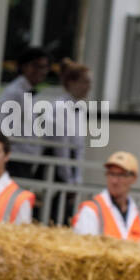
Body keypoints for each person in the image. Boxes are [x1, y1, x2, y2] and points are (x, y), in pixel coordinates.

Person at [45, 58, 93, 224]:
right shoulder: (60, 107)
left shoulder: (77, 107)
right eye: (85, 82)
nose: (88, 87)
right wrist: (68, 178)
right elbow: (61, 146)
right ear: (71, 83)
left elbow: (78, 146)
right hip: (58, 166)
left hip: (68, 165)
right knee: (55, 214)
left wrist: (77, 178)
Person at [72, 151, 140, 242]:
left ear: (133, 179)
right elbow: (85, 250)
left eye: (120, 175)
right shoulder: (91, 210)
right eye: (111, 174)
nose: (114, 181)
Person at [0, 46, 50, 179]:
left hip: (24, 158)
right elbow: (3, 125)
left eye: (44, 67)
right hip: (15, 159)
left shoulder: (28, 93)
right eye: (37, 66)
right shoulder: (14, 93)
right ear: (24, 67)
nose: (41, 71)